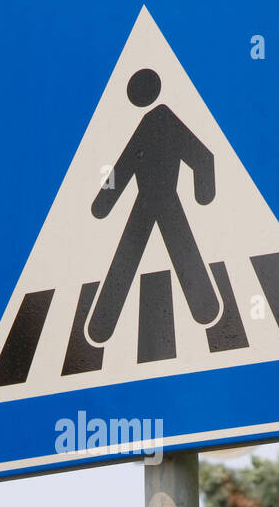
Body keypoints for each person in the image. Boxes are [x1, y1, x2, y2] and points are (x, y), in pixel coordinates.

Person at [88, 68, 220, 344]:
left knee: (136, 255)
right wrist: (102, 203)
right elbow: (125, 166)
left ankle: (103, 324)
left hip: (160, 199)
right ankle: (103, 324)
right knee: (146, 254)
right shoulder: (153, 122)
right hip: (150, 200)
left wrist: (204, 193)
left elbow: (202, 156)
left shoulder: (160, 120)